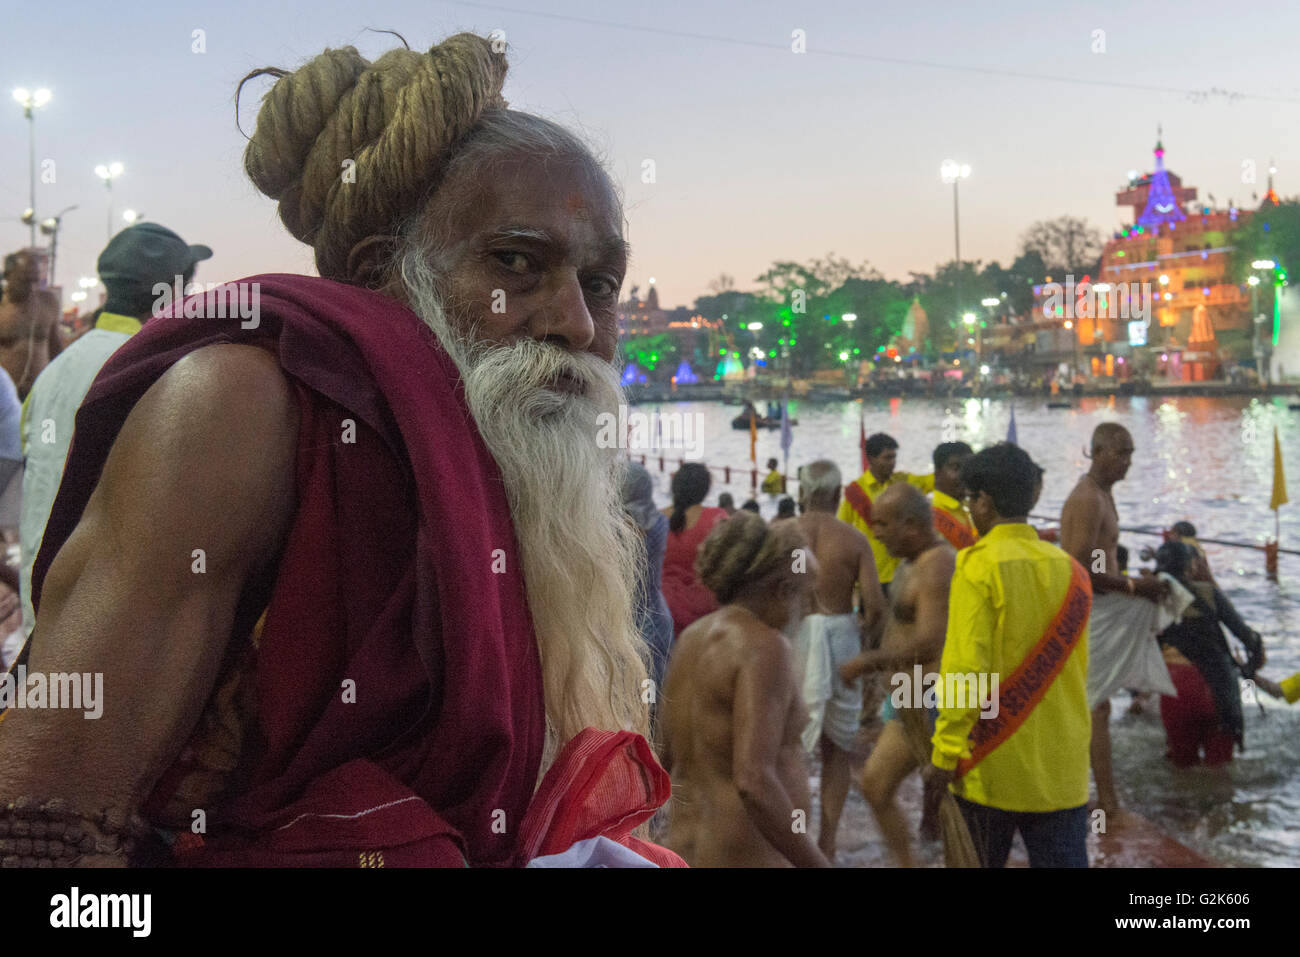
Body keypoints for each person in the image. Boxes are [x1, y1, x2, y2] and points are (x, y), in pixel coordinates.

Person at [0, 33, 680, 868]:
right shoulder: (237, 410)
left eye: (600, 285)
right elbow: (43, 835)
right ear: (381, 273)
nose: (575, 323)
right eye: (515, 262)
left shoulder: (505, 471)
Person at [19, 223, 213, 640]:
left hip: (41, 615)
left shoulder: (55, 372)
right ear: (174, 295)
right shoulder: (160, 373)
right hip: (101, 629)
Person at [923, 443, 1093, 868]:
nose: (968, 511)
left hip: (991, 767)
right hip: (1062, 771)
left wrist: (943, 755)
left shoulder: (977, 567)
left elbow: (965, 670)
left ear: (985, 501)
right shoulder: (1073, 572)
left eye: (971, 500)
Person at [660, 512, 830, 867]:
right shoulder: (765, 647)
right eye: (807, 596)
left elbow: (664, 758)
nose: (811, 609)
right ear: (784, 590)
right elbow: (754, 780)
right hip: (746, 855)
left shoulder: (692, 638)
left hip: (685, 848)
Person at [1060, 423, 1173, 815]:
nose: (1128, 462)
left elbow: (1097, 560)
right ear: (1098, 451)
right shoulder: (1088, 498)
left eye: (1131, 453)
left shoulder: (1104, 494)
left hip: (1104, 606)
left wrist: (1134, 583)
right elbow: (1078, 567)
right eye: (1121, 453)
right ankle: (1104, 802)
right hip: (1091, 610)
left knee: (1096, 705)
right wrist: (1132, 587)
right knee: (1094, 706)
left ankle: (1104, 798)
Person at [839, 483, 954, 867]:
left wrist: (867, 662)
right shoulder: (909, 562)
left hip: (930, 697)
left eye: (884, 524)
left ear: (911, 526)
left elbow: (930, 643)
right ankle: (910, 861)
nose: (877, 532)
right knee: (876, 785)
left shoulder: (938, 564)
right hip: (906, 697)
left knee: (950, 804)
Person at [789, 460, 886, 861]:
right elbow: (876, 607)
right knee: (837, 749)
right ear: (837, 492)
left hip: (793, 638)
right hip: (840, 633)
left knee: (788, 747)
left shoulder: (783, 536)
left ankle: (793, 841)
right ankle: (826, 843)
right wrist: (866, 642)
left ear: (802, 492)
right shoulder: (852, 539)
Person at [1153, 541, 1263, 767]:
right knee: (1221, 768)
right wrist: (1253, 663)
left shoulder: (1152, 596)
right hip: (1219, 686)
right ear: (1190, 566)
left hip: (1175, 687)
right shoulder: (1209, 593)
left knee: (1182, 768)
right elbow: (1246, 636)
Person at [837, 432, 934, 593]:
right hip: (872, 574)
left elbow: (934, 481)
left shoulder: (904, 481)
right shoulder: (856, 491)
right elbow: (841, 531)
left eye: (894, 457)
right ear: (871, 459)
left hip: (904, 571)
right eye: (887, 458)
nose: (893, 463)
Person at [622, 461, 674, 716]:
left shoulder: (615, 530)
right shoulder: (661, 523)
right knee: (654, 701)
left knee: (627, 706)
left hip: (628, 625)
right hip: (657, 616)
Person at [661, 462, 728, 638]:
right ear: (705, 489)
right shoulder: (717, 518)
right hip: (704, 612)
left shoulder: (656, 519)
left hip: (661, 610)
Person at [0, 248, 63, 398]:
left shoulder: (48, 302)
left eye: (36, 280)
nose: (32, 287)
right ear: (8, 276)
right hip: (5, 396)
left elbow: (56, 348)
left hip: (39, 393)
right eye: (25, 279)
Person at [930, 441, 975, 550]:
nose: (963, 475)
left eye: (968, 469)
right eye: (956, 468)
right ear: (937, 473)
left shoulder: (973, 508)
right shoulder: (929, 512)